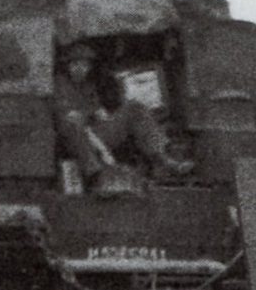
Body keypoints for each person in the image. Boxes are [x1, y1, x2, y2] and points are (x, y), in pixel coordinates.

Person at [53, 42, 192, 195]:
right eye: (76, 64)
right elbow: (71, 117)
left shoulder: (88, 87)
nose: (81, 69)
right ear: (68, 65)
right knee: (74, 126)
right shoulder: (60, 85)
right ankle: (98, 176)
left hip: (96, 134)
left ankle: (163, 158)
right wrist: (92, 116)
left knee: (134, 108)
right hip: (75, 140)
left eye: (85, 65)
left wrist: (105, 117)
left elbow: (100, 113)